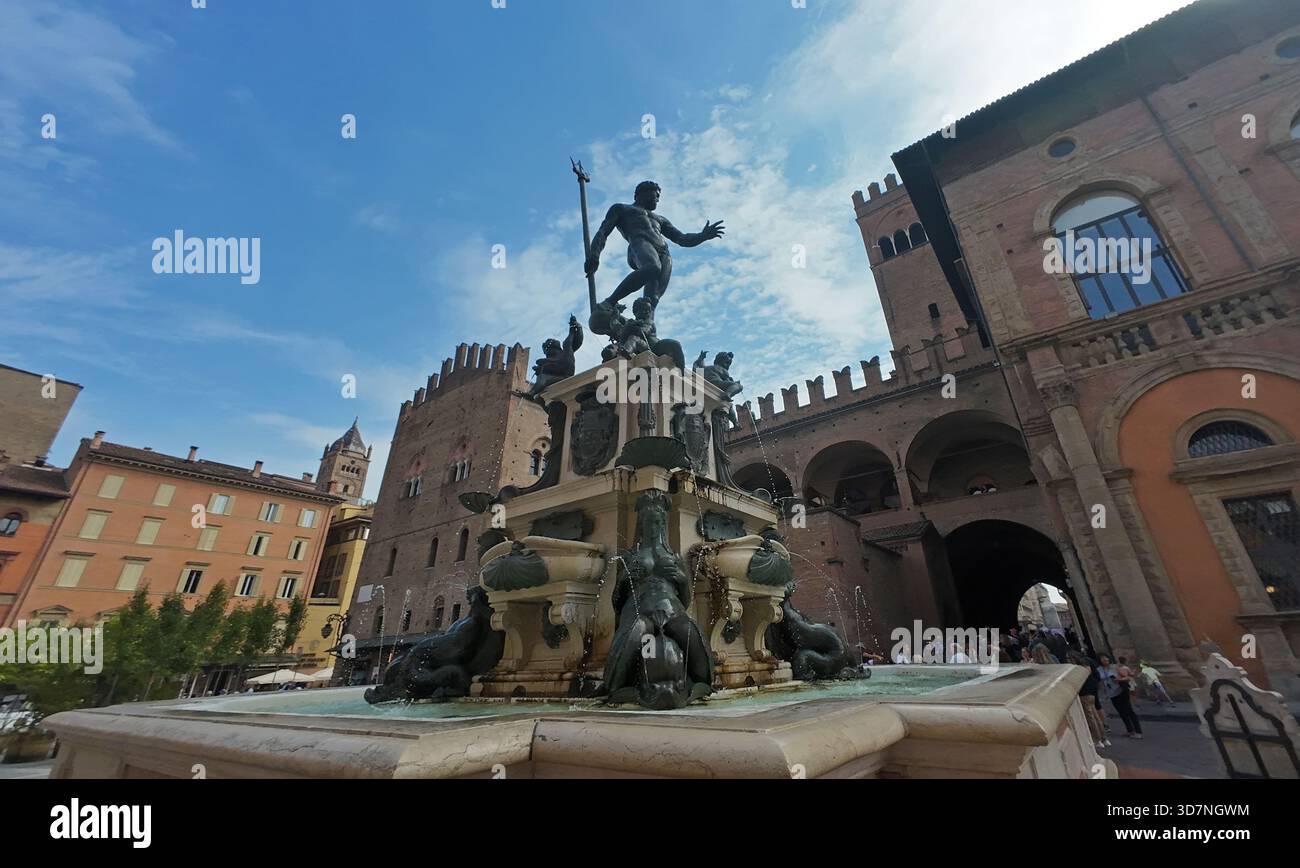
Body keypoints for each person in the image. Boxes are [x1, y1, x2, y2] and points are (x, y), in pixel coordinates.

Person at [1068, 650, 1109, 748]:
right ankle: (1104, 738)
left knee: (1090, 717)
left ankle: (1097, 740)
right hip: (1092, 690)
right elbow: (1097, 675)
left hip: (1084, 693)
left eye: (1069, 658)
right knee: (1095, 715)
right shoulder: (1087, 663)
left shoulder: (1077, 669)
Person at [1098, 653, 1143, 739]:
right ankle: (1130, 730)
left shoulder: (1115, 667)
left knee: (1129, 710)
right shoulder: (1099, 669)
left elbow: (1128, 677)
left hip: (1121, 690)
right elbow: (1101, 682)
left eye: (1106, 659)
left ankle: (1138, 731)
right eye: (1102, 659)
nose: (1105, 660)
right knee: (1121, 712)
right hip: (1111, 692)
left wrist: (1119, 679)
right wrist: (1105, 693)